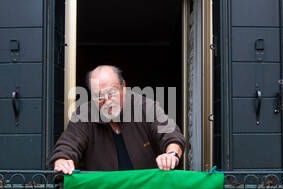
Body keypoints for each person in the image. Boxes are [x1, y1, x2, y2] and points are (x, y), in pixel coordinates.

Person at [49, 64, 186, 174]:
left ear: (123, 87)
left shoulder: (144, 106)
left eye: (112, 92)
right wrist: (63, 161)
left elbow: (171, 135)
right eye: (99, 96)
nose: (107, 101)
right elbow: (67, 145)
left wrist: (171, 155)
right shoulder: (84, 114)